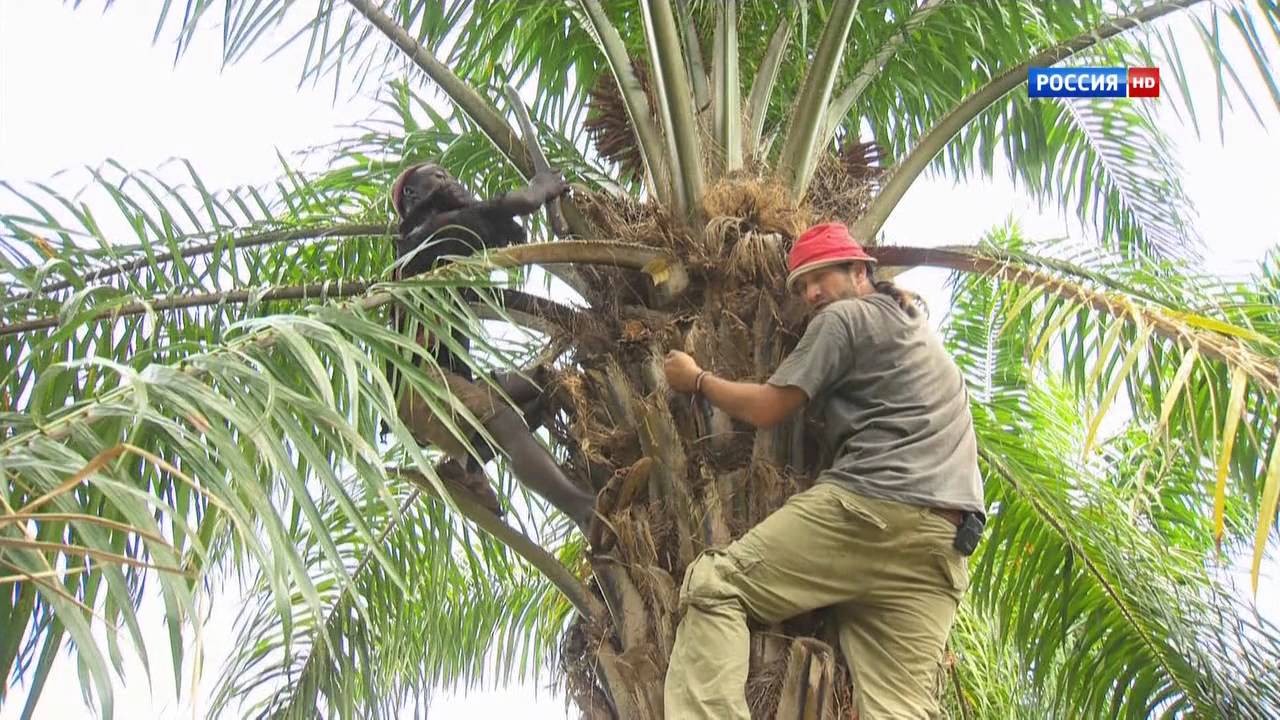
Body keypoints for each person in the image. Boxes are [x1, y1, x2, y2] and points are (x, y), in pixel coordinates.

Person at [661, 222, 984, 719]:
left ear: (859, 271)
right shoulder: (919, 335)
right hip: (940, 548)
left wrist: (697, 378)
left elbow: (770, 408)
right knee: (902, 710)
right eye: (801, 286)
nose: (811, 293)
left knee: (714, 583)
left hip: (870, 509)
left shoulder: (846, 318)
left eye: (820, 277)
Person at [388, 162, 595, 528]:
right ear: (413, 195)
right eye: (438, 175)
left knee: (542, 383)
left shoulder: (442, 255)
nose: (451, 179)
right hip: (421, 385)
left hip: (446, 383)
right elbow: (490, 213)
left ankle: (464, 466)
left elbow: (490, 229)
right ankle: (587, 513)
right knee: (503, 424)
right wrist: (538, 190)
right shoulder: (424, 237)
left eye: (449, 173)